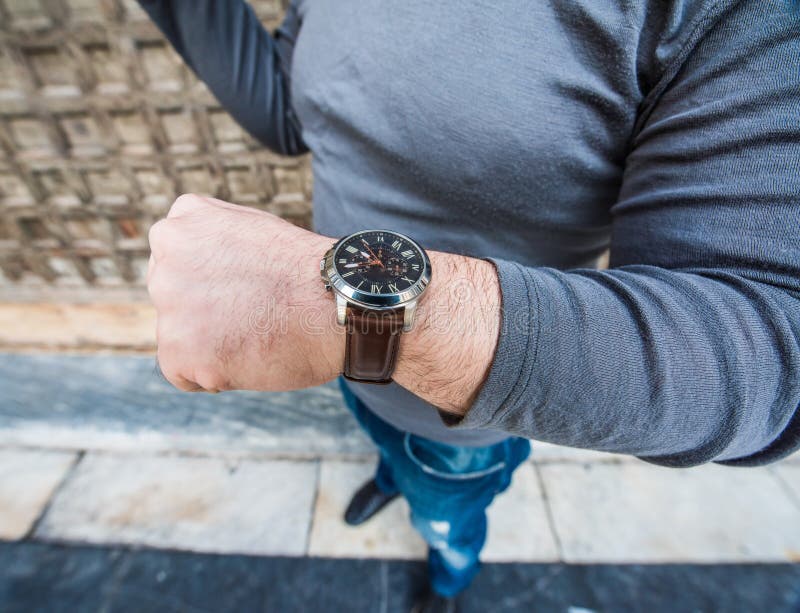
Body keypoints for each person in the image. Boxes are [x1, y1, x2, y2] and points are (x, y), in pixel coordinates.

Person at [139, 1, 800, 610]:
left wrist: (316, 300)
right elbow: (293, 113)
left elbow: (764, 342)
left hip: (459, 422)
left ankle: (451, 576)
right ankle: (394, 473)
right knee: (386, 445)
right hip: (345, 371)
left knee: (447, 517)